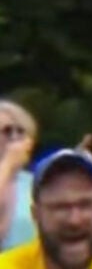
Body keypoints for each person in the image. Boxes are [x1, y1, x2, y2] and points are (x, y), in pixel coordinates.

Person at [0, 99, 37, 251]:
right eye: (7, 131)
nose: (14, 137)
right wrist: (7, 164)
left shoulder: (34, 182)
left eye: (20, 131)